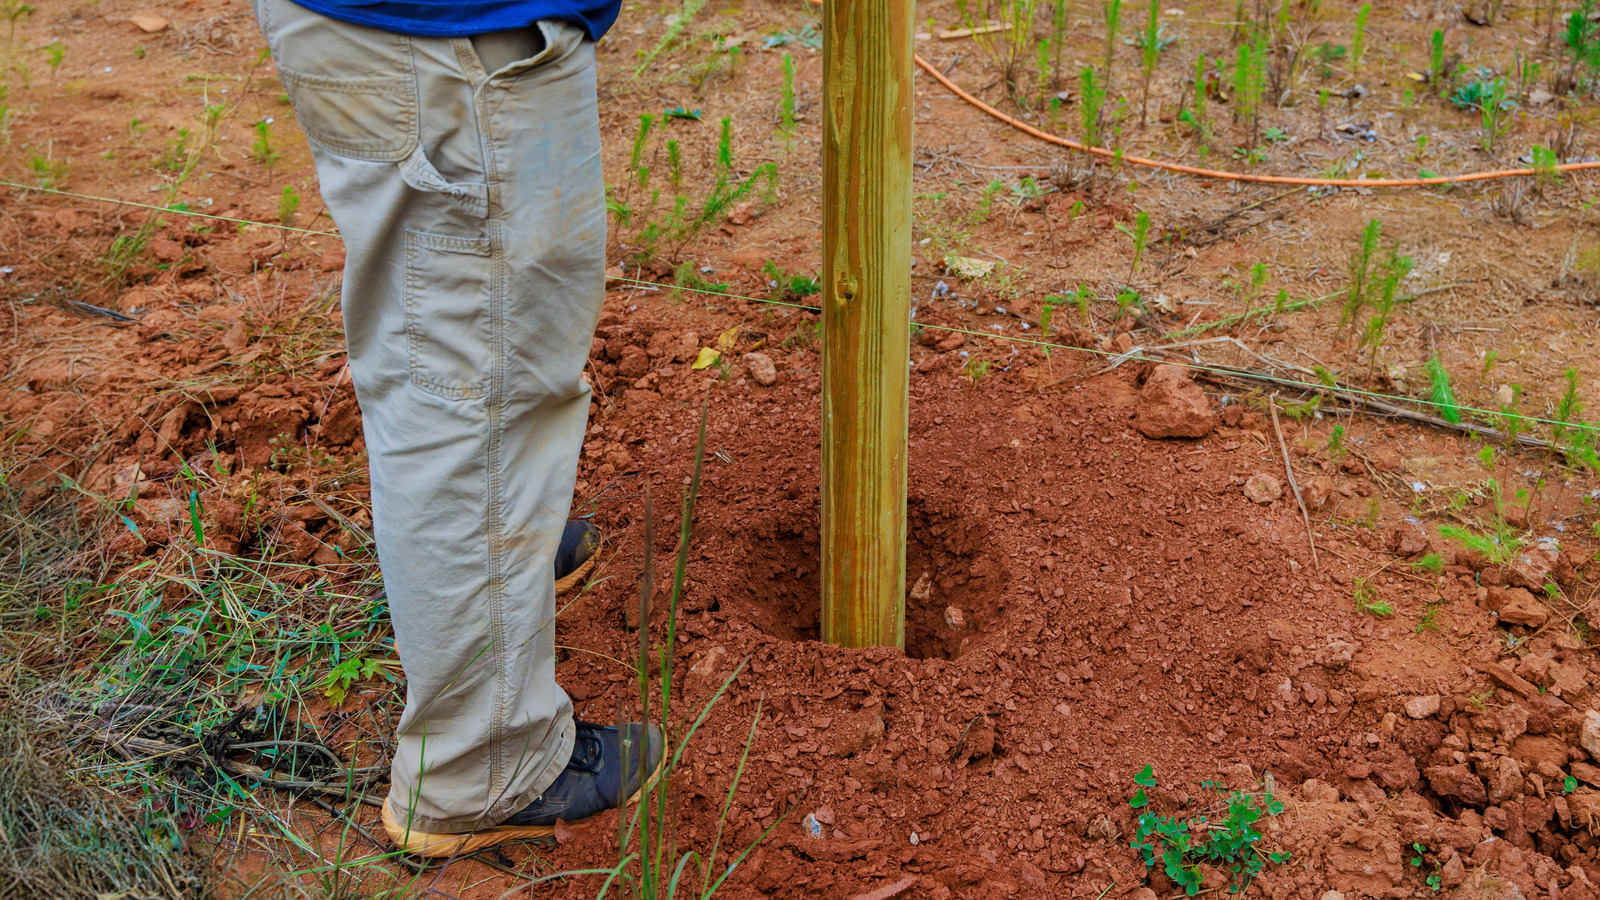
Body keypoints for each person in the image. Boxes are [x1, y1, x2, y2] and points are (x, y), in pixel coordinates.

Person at [247, 0, 664, 858]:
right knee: (475, 393)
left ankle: (491, 575)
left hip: (410, 40)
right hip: (451, 50)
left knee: (451, 360)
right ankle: (483, 768)